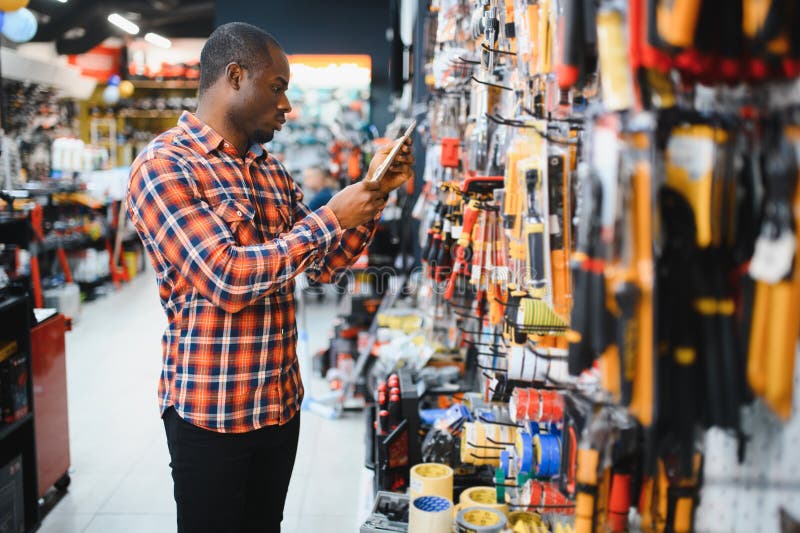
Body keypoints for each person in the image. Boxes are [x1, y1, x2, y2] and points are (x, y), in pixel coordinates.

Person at [126, 22, 413, 533]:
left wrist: (371, 195)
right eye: (278, 88)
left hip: (279, 406)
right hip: (211, 413)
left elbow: (325, 265)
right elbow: (226, 278)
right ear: (235, 77)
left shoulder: (270, 170)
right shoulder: (165, 166)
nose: (287, 107)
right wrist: (332, 217)